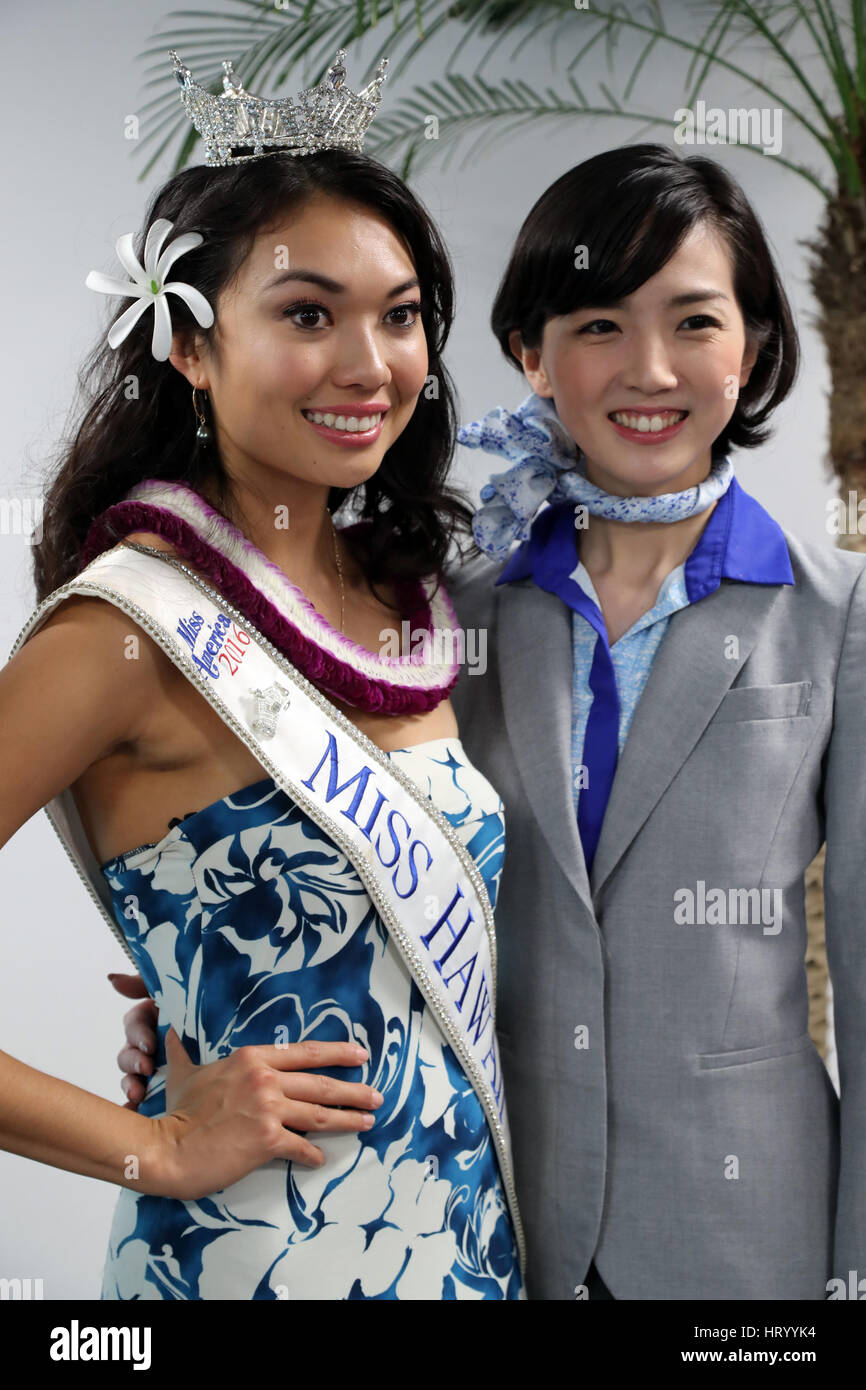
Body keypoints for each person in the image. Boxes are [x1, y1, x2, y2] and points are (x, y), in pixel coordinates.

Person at [124, 141, 866, 1301]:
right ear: (531, 353)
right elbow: (357, 867)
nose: (649, 369)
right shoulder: (436, 615)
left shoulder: (839, 611)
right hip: (484, 1215)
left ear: (756, 345)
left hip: (747, 1240)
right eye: (597, 326)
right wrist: (204, 999)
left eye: (695, 322)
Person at [0, 51, 523, 1300]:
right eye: (305, 313)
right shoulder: (123, 630)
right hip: (259, 1260)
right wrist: (152, 1143)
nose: (370, 364)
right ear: (186, 344)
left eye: (398, 315)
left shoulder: (406, 603)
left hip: (462, 1249)